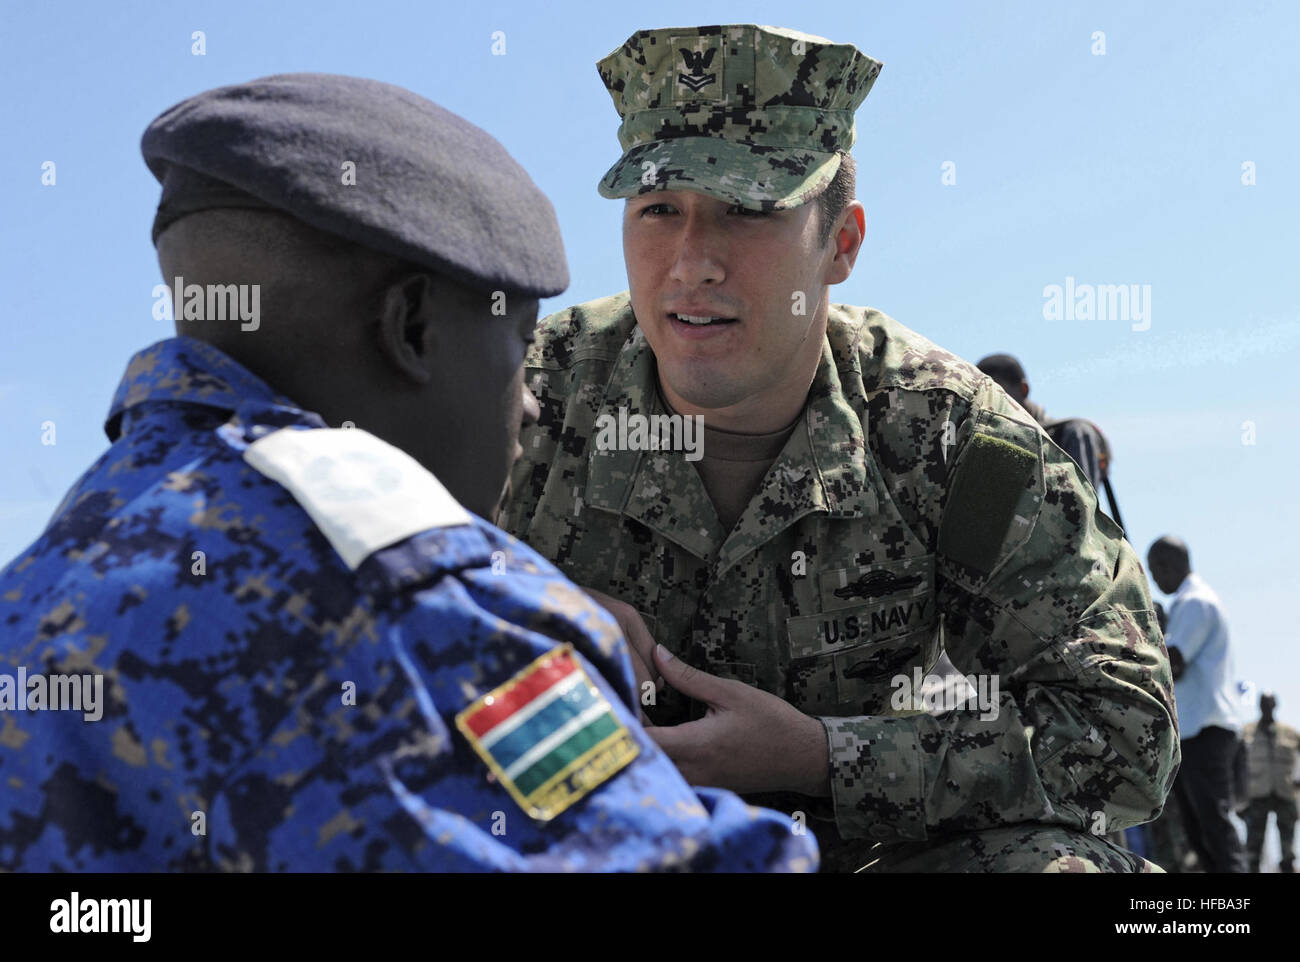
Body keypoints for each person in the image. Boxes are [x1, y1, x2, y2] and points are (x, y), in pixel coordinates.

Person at [0, 74, 817, 872]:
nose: (532, 404)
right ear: (412, 326)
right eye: (520, 346)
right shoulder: (421, 604)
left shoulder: (43, 579)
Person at [502, 24, 1178, 872]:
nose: (692, 262)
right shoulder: (525, 389)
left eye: (749, 210)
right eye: (659, 210)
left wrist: (823, 758)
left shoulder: (949, 439)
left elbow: (1128, 733)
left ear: (843, 245)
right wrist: (523, 609)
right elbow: (325, 590)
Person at [1146, 535, 1246, 872]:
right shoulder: (1190, 602)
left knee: (1214, 827)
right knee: (1200, 830)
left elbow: (1173, 662)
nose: (1156, 582)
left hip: (1205, 729)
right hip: (1196, 729)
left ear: (1167, 565)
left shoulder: (1195, 602)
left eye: (1154, 573)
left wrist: (1150, 635)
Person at [976, 353, 1124, 529]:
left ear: (1023, 389)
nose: (991, 404)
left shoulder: (1071, 434)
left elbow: (1083, 512)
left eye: (999, 395)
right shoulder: (988, 440)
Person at [1237, 692, 1299, 872]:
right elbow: (1236, 766)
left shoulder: (1291, 733)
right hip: (1257, 794)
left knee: (1288, 849)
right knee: (1253, 850)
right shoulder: (1245, 732)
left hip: (1285, 792)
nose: (1267, 707)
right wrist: (1238, 800)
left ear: (1275, 705)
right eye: (1264, 703)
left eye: (1270, 703)